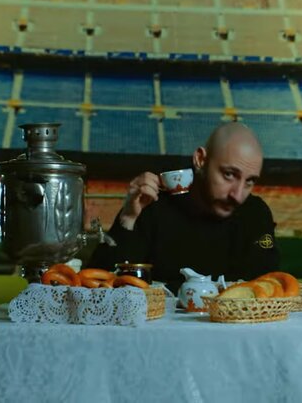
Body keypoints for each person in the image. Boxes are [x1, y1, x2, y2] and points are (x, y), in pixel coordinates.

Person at [90, 122, 280, 293]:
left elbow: (267, 288)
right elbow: (97, 286)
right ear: (200, 160)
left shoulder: (256, 213)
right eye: (229, 174)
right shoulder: (153, 204)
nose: (237, 196)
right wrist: (128, 219)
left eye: (249, 181)